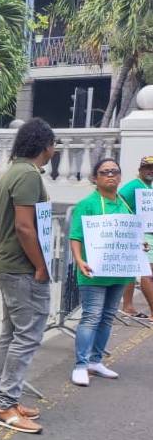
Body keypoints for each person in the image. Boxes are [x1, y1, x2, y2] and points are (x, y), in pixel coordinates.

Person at [0, 117, 54, 435]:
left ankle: (0, 397)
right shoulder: (27, 174)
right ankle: (5, 403)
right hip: (22, 268)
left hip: (11, 265)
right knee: (27, 335)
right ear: (46, 146)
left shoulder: (14, 171)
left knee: (12, 333)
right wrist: (40, 265)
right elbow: (26, 227)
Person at [68, 158, 133, 386]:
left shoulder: (124, 203)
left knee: (107, 317)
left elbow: (129, 233)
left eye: (115, 171)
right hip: (93, 271)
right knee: (91, 316)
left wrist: (139, 245)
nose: (111, 175)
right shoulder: (87, 204)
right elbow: (75, 236)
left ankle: (96, 361)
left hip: (119, 271)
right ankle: (80, 364)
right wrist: (79, 260)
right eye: (105, 172)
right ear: (95, 178)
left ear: (120, 176)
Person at [117, 155, 153, 317]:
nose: (151, 171)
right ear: (140, 170)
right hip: (140, 233)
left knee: (132, 271)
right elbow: (118, 201)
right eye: (147, 167)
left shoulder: (148, 186)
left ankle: (128, 306)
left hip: (145, 233)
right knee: (148, 273)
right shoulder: (133, 186)